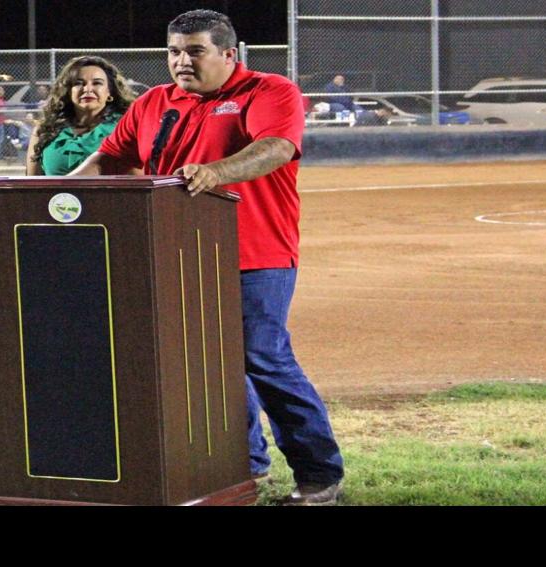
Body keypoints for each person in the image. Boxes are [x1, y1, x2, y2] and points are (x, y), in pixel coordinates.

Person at [71, 10, 345, 504]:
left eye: (194, 51)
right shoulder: (155, 102)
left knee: (261, 357)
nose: (180, 61)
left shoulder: (267, 91)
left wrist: (216, 172)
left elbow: (276, 148)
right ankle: (241, 464)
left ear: (228, 54)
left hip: (255, 255)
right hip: (173, 254)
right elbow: (113, 157)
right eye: (174, 51)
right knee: (202, 365)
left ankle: (319, 472)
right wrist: (58, 197)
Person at [26, 55, 137, 175]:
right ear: (68, 91)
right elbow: (32, 185)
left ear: (110, 92)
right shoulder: (46, 130)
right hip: (54, 195)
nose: (87, 89)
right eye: (78, 83)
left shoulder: (125, 128)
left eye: (97, 83)